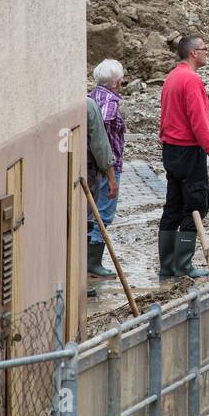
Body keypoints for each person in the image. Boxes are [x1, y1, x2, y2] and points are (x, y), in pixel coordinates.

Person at [158, 35, 209, 279]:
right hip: (188, 150)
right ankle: (184, 265)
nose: (207, 52)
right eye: (204, 48)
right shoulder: (191, 80)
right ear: (193, 53)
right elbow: (199, 121)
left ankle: (167, 265)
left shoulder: (172, 77)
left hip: (171, 149)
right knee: (195, 205)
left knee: (173, 206)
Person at [87, 60, 126, 280]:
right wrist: (110, 171)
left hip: (96, 165)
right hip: (107, 165)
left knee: (93, 212)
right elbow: (101, 133)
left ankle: (90, 261)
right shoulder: (109, 102)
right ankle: (94, 262)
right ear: (117, 82)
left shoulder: (94, 96)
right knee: (103, 214)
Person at [85, 94, 117, 289]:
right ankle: (91, 266)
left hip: (80, 170)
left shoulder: (93, 97)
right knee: (89, 221)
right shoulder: (90, 106)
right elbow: (100, 144)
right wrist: (111, 175)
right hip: (89, 172)